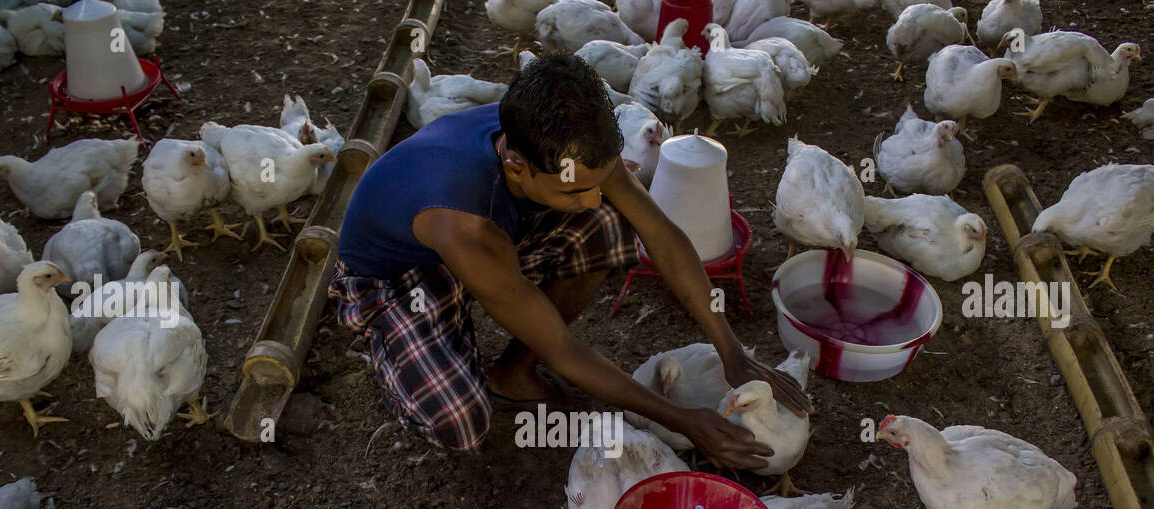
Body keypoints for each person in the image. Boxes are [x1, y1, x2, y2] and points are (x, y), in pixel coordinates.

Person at [330, 53, 810, 468]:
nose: (590, 196)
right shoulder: (466, 221)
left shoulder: (574, 148)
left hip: (490, 240)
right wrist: (684, 421)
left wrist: (732, 354)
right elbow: (564, 350)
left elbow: (662, 235)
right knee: (459, 419)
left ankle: (514, 373)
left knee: (605, 221)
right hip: (395, 276)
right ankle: (392, 342)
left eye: (597, 181)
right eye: (575, 189)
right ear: (517, 165)